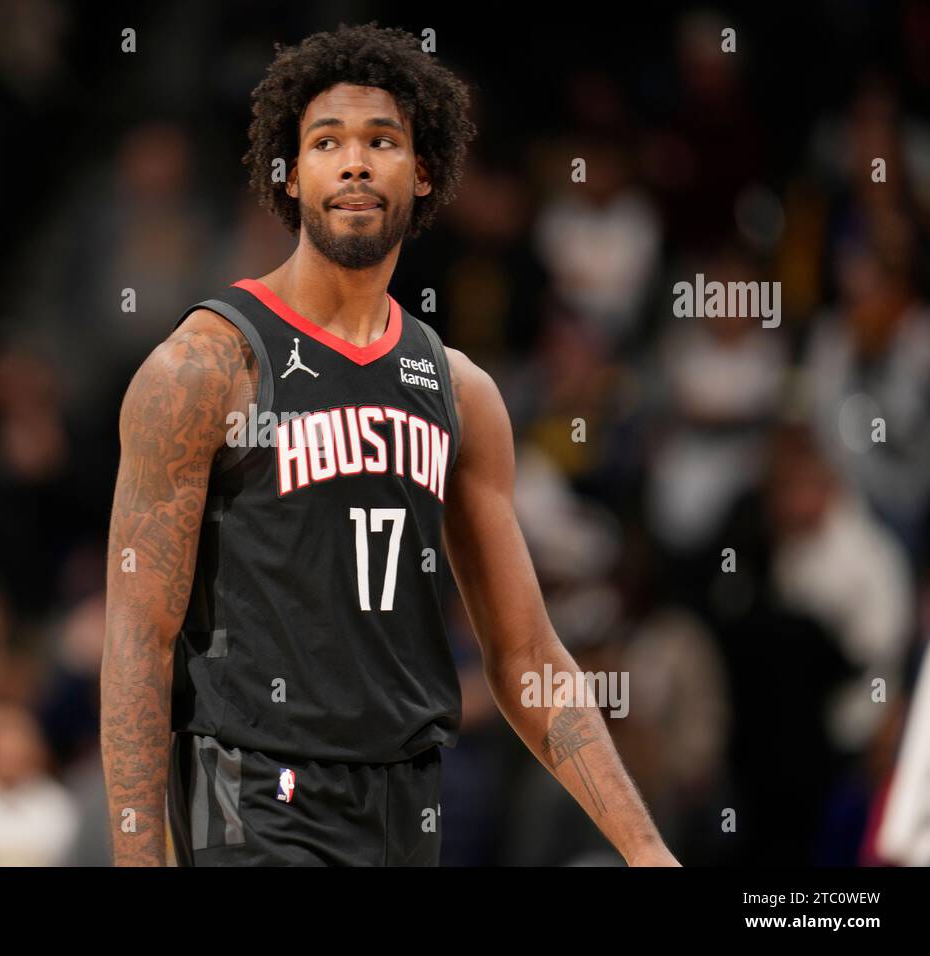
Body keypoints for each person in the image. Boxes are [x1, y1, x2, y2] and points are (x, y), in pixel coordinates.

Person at [101, 22, 679, 867]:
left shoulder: (461, 392)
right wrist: (136, 858)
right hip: (255, 794)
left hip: (408, 804)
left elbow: (525, 656)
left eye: (383, 140)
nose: (356, 162)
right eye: (326, 142)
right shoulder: (205, 367)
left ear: (426, 170)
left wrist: (646, 851)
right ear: (291, 176)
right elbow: (136, 637)